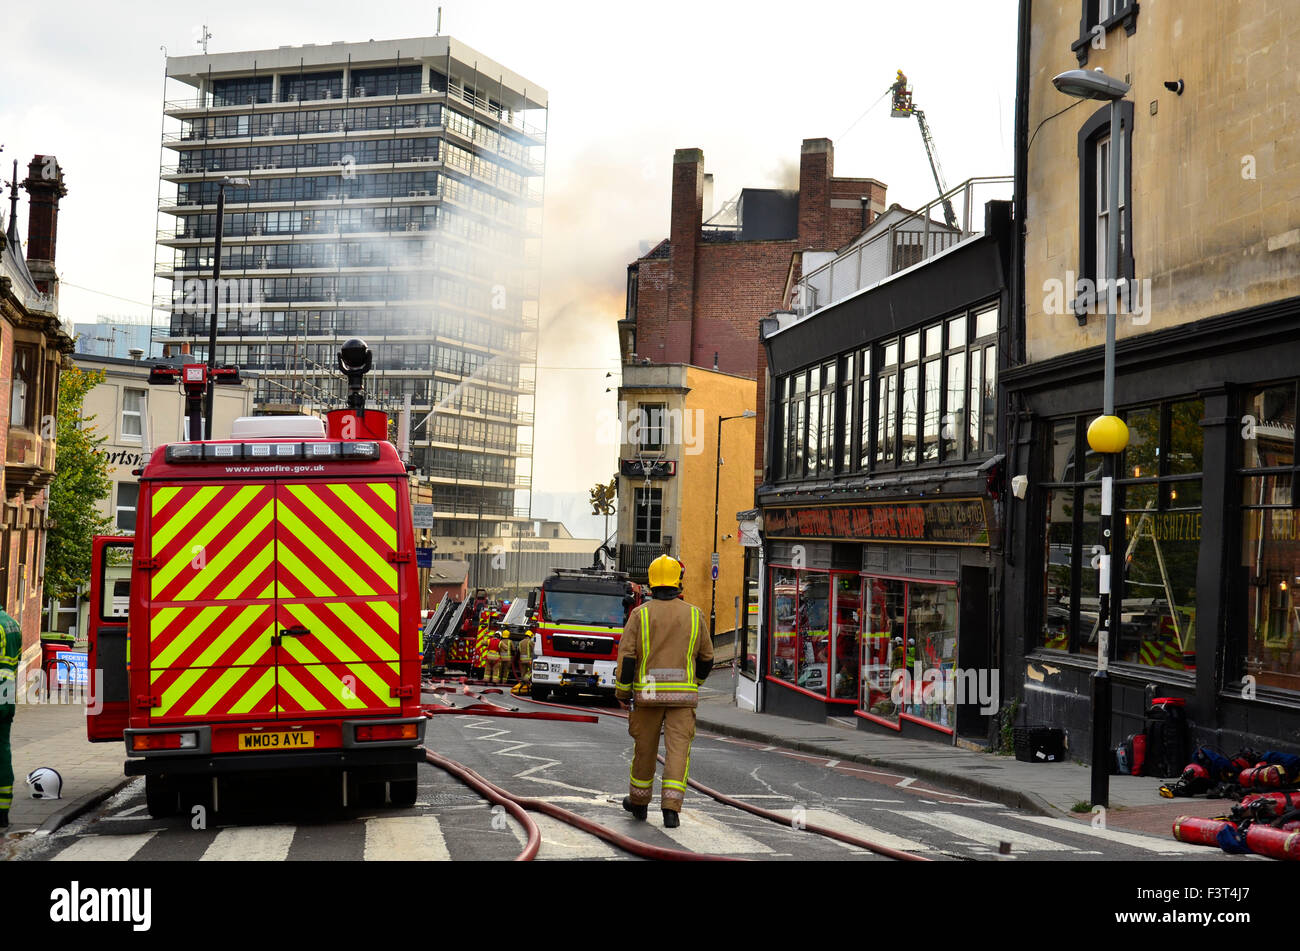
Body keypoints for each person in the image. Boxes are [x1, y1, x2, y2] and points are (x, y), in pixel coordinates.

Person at [615, 555, 713, 829]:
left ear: (652, 583)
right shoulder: (695, 614)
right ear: (677, 582)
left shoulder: (640, 615)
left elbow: (628, 658)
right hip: (682, 698)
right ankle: (671, 810)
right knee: (678, 751)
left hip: (647, 695)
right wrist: (695, 682)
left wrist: (623, 693)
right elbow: (707, 658)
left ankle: (639, 804)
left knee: (644, 749)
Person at [0, 606, 21, 828]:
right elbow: (17, 660)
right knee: (3, 752)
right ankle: (3, 810)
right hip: (7, 694)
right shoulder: (13, 623)